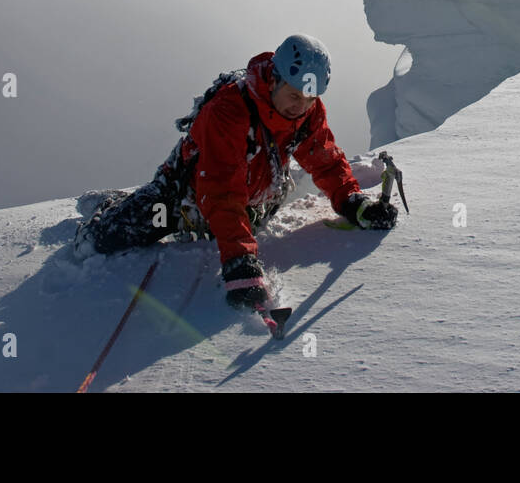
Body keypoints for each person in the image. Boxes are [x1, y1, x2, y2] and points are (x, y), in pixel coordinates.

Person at [71, 33, 397, 311]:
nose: (301, 106)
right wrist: (239, 262)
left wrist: (353, 202)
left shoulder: (308, 112)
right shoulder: (229, 110)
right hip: (182, 196)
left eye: (310, 98)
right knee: (95, 244)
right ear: (275, 80)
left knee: (223, 224)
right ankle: (108, 208)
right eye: (294, 95)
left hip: (254, 200)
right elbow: (220, 189)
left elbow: (325, 160)